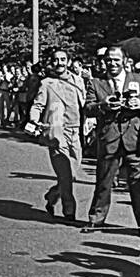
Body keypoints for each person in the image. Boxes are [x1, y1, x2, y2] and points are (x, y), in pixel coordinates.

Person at [83, 46, 140, 235]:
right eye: (109, 60)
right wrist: (103, 106)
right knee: (104, 181)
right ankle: (96, 219)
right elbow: (88, 108)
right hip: (109, 138)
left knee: (139, 183)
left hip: (134, 138)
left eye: (116, 60)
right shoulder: (96, 82)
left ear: (125, 61)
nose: (112, 63)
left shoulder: (138, 79)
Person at [26, 47, 85, 223]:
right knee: (65, 174)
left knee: (72, 173)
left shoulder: (78, 81)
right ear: (52, 63)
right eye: (56, 59)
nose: (59, 63)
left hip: (76, 132)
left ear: (68, 62)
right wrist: (34, 120)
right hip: (57, 132)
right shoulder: (47, 83)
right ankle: (69, 210)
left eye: (63, 59)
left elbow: (85, 104)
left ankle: (52, 196)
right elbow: (37, 105)